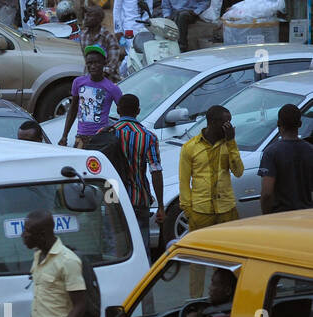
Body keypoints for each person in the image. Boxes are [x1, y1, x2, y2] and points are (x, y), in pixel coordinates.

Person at [110, 93, 165, 252]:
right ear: (138, 111)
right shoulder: (148, 137)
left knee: (116, 246)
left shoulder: (106, 133)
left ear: (118, 110)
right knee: (141, 246)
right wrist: (160, 206)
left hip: (112, 196)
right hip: (139, 198)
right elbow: (156, 171)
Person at [179, 104, 244, 232]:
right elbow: (184, 181)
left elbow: (238, 172)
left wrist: (231, 143)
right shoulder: (190, 147)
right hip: (201, 211)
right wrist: (189, 212)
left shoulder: (229, 144)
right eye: (226, 122)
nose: (229, 126)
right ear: (213, 123)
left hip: (226, 210)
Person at [59, 46, 122, 148]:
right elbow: (73, 109)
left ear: (104, 63)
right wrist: (64, 135)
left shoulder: (112, 88)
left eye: (97, 62)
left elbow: (123, 112)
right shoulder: (78, 82)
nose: (93, 66)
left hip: (101, 138)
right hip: (81, 137)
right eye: (89, 63)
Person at [258, 103, 313, 213]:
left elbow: (267, 193)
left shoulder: (271, 153)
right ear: (300, 124)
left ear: (278, 123)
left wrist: (266, 215)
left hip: (281, 217)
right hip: (306, 215)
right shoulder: (310, 150)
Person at [76, 6, 122, 80]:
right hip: (89, 76)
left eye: (89, 16)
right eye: (85, 16)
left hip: (108, 78)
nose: (85, 19)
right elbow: (87, 60)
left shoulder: (108, 37)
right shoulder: (83, 35)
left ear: (98, 19)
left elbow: (112, 63)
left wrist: (99, 77)